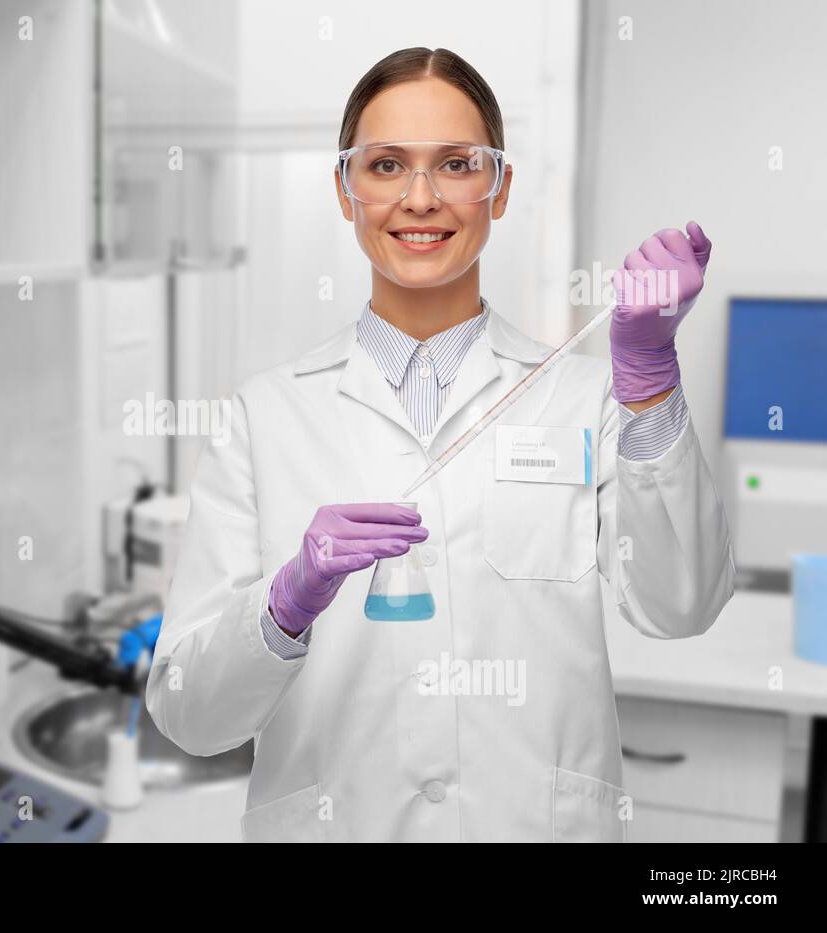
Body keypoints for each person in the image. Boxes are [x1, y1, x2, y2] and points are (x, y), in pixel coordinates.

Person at [144, 47, 735, 842]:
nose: (420, 199)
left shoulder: (585, 398)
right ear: (346, 190)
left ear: (499, 187)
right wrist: (283, 606)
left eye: (456, 163)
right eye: (386, 165)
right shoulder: (265, 415)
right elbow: (191, 714)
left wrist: (651, 380)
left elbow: (682, 603)